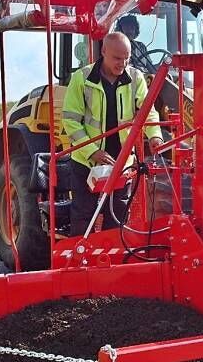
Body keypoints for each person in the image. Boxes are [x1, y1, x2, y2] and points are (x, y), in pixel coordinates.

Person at [62, 31, 164, 235]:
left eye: (126, 58)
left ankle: (112, 263)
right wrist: (92, 152)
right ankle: (82, 263)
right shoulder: (81, 79)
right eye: (117, 58)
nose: (122, 64)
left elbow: (147, 111)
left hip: (121, 162)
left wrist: (155, 135)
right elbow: (70, 121)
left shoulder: (136, 78)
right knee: (84, 216)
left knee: (117, 218)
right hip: (86, 163)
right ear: (103, 52)